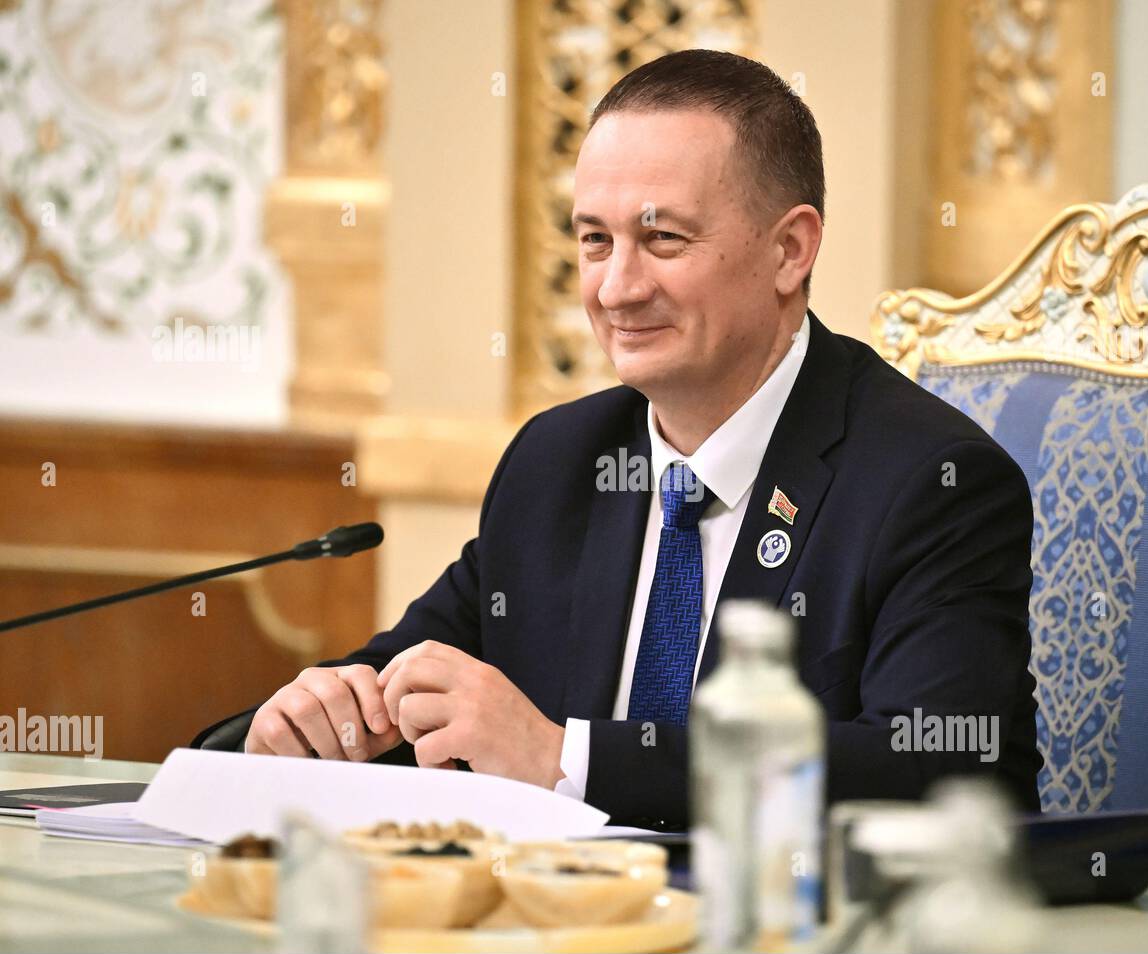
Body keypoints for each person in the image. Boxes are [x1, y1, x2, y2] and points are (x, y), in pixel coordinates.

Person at [197, 49, 1043, 829]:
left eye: (662, 239)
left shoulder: (932, 481)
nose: (615, 287)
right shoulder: (558, 463)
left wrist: (564, 758)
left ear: (791, 250)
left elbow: (935, 765)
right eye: (594, 240)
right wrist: (289, 732)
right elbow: (402, 686)